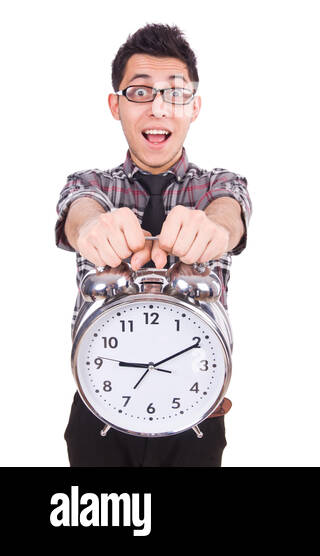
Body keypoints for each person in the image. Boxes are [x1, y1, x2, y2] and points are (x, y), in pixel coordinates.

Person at [56, 24, 251, 466]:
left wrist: (215, 229)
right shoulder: (89, 185)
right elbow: (79, 211)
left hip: (196, 414)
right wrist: (90, 228)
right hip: (99, 410)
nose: (158, 108)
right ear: (116, 105)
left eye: (176, 93)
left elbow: (229, 213)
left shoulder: (219, 185)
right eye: (140, 92)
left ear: (194, 107)